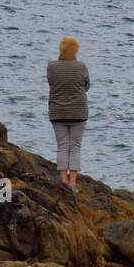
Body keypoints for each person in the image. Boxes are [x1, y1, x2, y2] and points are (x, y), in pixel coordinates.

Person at [47, 38, 90, 188]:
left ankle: (63, 181)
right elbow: (87, 86)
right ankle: (73, 182)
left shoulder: (52, 66)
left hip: (57, 112)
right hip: (79, 112)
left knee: (62, 146)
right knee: (76, 146)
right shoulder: (81, 66)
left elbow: (51, 83)